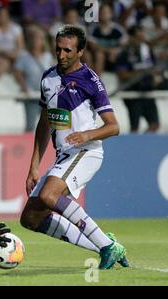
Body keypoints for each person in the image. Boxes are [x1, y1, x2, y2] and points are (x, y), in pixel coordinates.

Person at [19, 25, 129, 270]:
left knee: (49, 196)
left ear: (81, 51)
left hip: (86, 152)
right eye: (58, 49)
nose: (61, 55)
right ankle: (104, 243)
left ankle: (106, 246)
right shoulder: (48, 77)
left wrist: (86, 134)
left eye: (67, 50)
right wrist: (34, 165)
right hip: (64, 157)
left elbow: (113, 126)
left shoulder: (91, 81)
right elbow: (44, 122)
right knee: (30, 218)